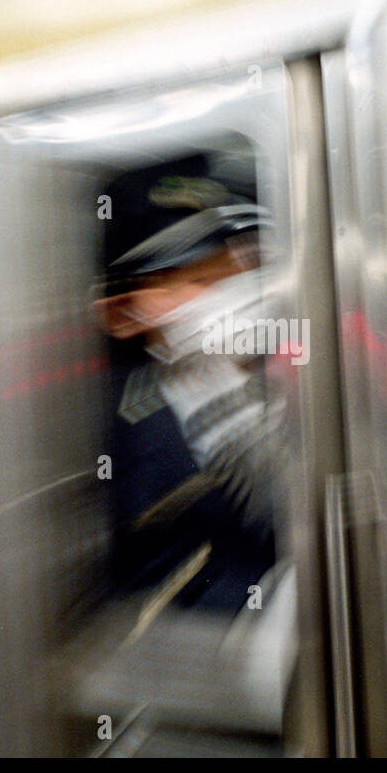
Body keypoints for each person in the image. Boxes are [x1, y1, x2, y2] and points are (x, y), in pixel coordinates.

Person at [91, 154, 284, 616]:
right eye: (190, 281)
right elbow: (155, 591)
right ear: (122, 314)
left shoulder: (279, 372)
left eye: (231, 273)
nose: (219, 299)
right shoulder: (126, 438)